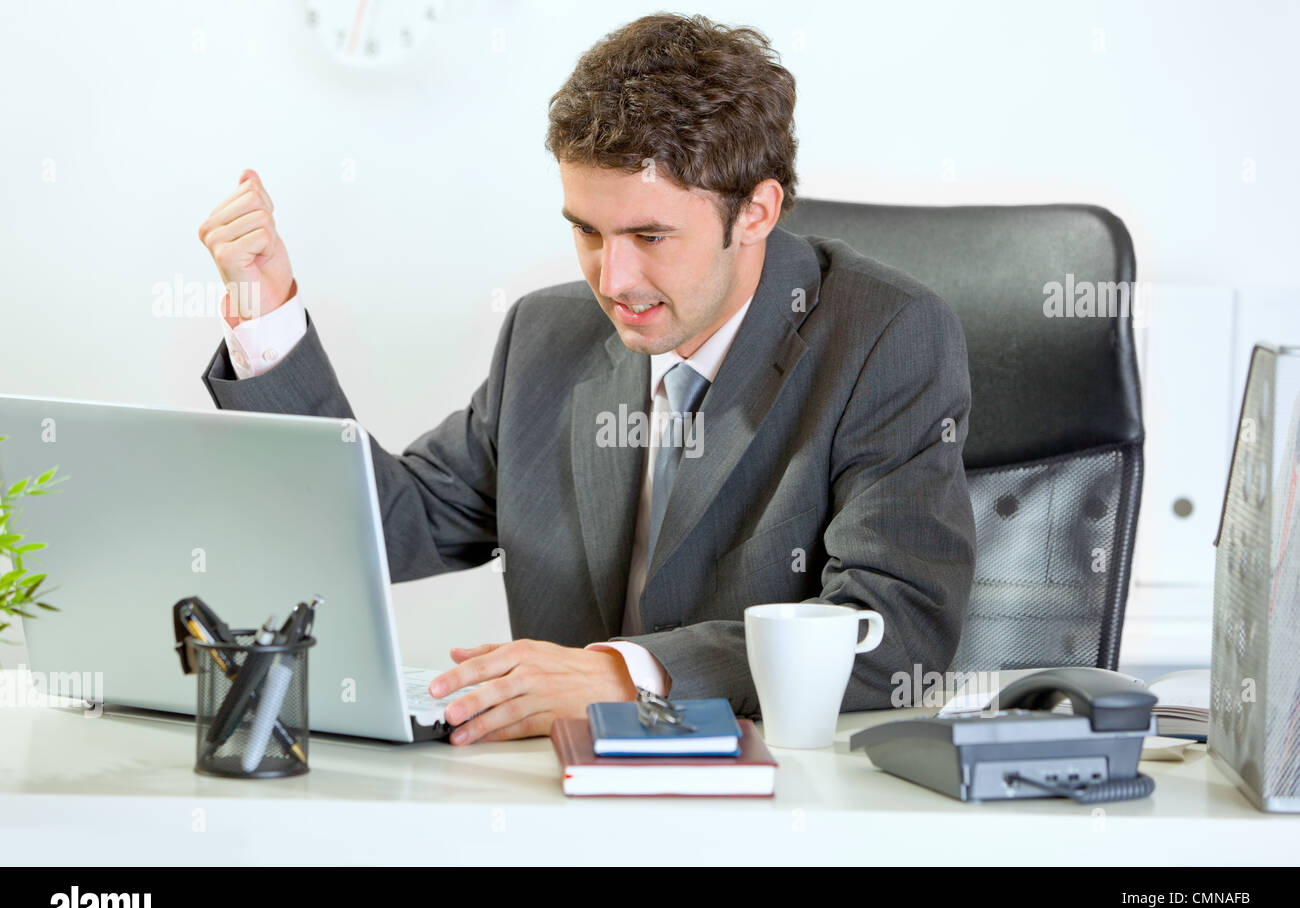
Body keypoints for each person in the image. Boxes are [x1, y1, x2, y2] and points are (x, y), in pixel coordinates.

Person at [196, 13, 976, 746]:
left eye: (650, 234)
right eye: (587, 232)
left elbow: (893, 627)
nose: (615, 278)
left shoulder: (885, 337)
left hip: (771, 802)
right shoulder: (547, 335)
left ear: (757, 213)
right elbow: (390, 530)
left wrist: (624, 675)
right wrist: (266, 319)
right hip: (550, 796)